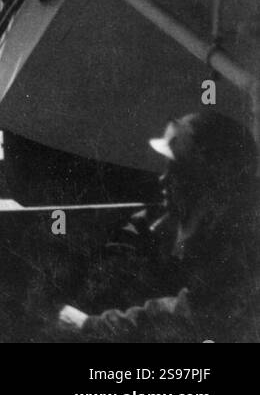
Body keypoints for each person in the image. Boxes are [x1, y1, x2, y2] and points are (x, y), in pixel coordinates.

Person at [56, 111, 260, 342]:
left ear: (206, 174)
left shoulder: (241, 234)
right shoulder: (223, 218)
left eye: (175, 168)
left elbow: (190, 312)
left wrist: (90, 325)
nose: (163, 179)